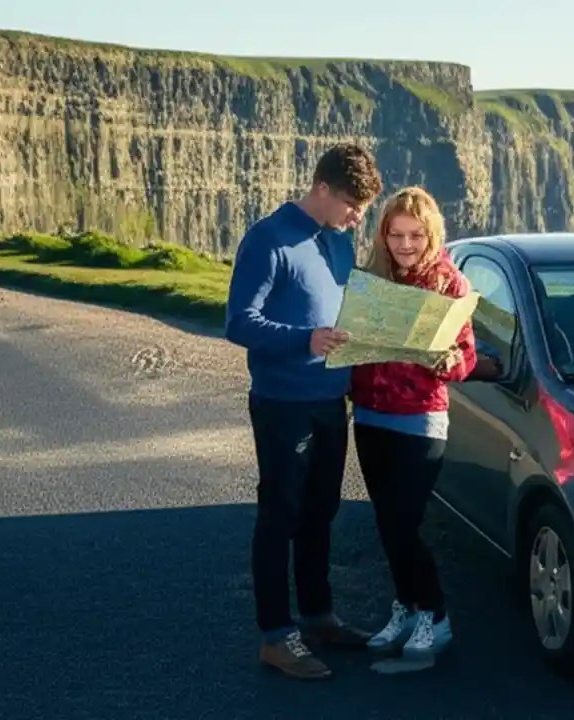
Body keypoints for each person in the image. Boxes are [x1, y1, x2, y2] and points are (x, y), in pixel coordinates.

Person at [224, 142, 383, 680]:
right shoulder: (268, 240)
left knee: (321, 513)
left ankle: (319, 618)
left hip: (329, 402)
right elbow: (238, 323)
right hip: (283, 404)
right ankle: (275, 635)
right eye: (352, 205)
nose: (357, 216)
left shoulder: (338, 242)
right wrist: (305, 340)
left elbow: (345, 308)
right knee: (281, 515)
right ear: (322, 189)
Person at [349, 186, 477, 662]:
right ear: (383, 235)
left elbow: (466, 358)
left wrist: (447, 359)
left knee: (405, 523)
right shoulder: (370, 279)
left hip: (420, 418)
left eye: (415, 236)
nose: (404, 245)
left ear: (431, 235)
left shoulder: (449, 284)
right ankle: (404, 606)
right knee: (387, 523)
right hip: (368, 414)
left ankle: (435, 617)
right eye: (395, 234)